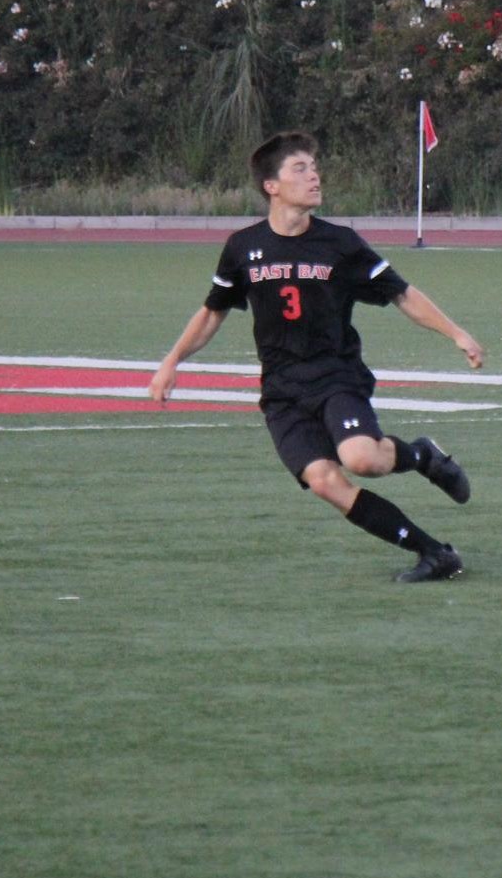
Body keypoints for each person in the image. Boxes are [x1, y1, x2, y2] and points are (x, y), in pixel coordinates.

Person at [148, 131, 484, 583]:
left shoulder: (340, 244)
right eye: (300, 169)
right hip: (283, 391)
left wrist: (455, 333)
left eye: (314, 167)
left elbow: (401, 294)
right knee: (326, 482)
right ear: (272, 185)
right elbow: (214, 312)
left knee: (363, 459)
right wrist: (171, 362)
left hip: (335, 376)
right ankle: (434, 553)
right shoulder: (242, 247)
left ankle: (423, 457)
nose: (314, 176)